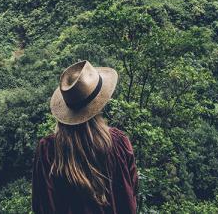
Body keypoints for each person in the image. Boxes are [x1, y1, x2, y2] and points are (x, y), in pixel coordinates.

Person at [32, 60, 138, 213]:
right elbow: (131, 193)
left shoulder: (49, 151)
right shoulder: (119, 142)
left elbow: (42, 205)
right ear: (99, 103)